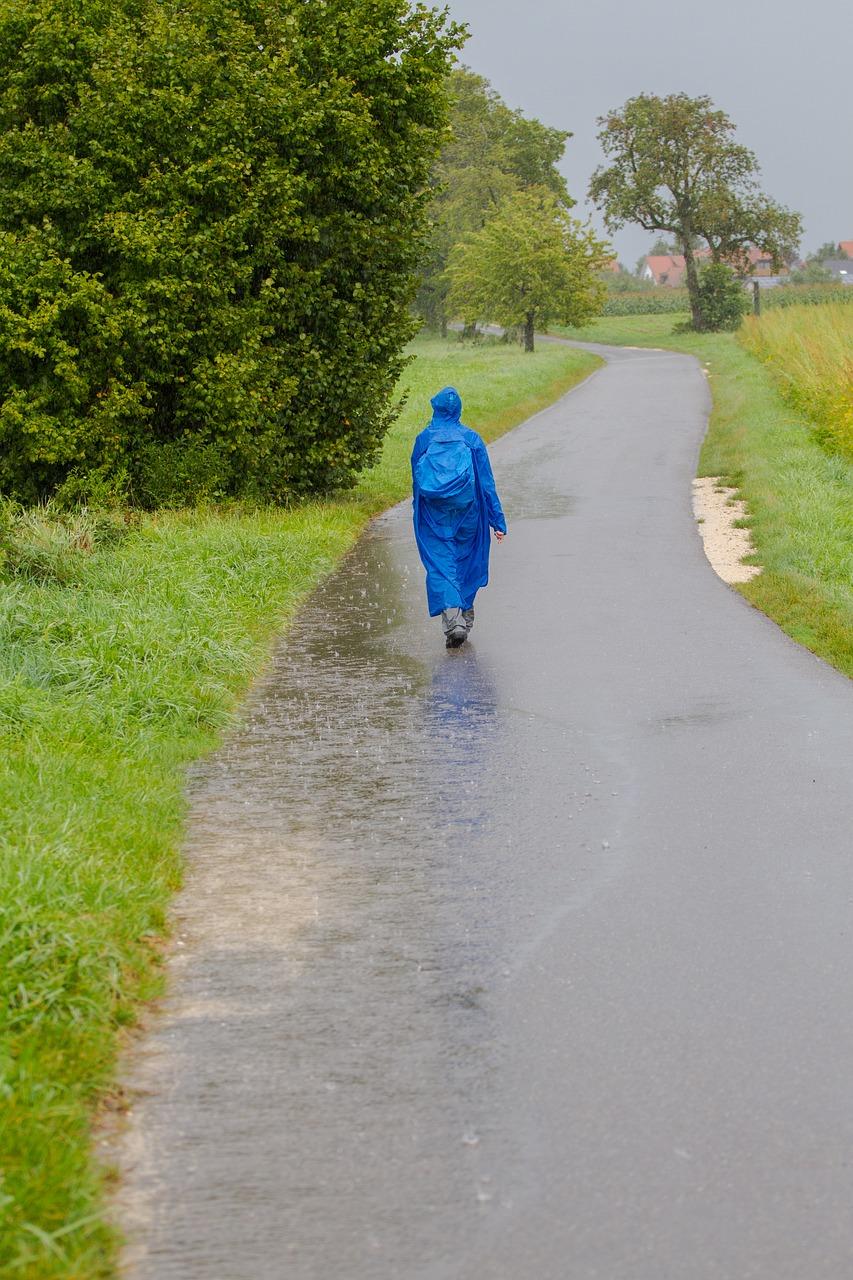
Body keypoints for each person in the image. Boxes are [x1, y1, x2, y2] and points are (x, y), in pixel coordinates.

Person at [411, 386, 507, 649]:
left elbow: (416, 482)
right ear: (458, 410)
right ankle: (465, 613)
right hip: (469, 511)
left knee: (441, 564)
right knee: (467, 559)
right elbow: (486, 484)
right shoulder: (471, 439)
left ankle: (454, 621)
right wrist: (497, 521)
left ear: (436, 409)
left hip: (434, 514)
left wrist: (417, 514)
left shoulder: (424, 440)